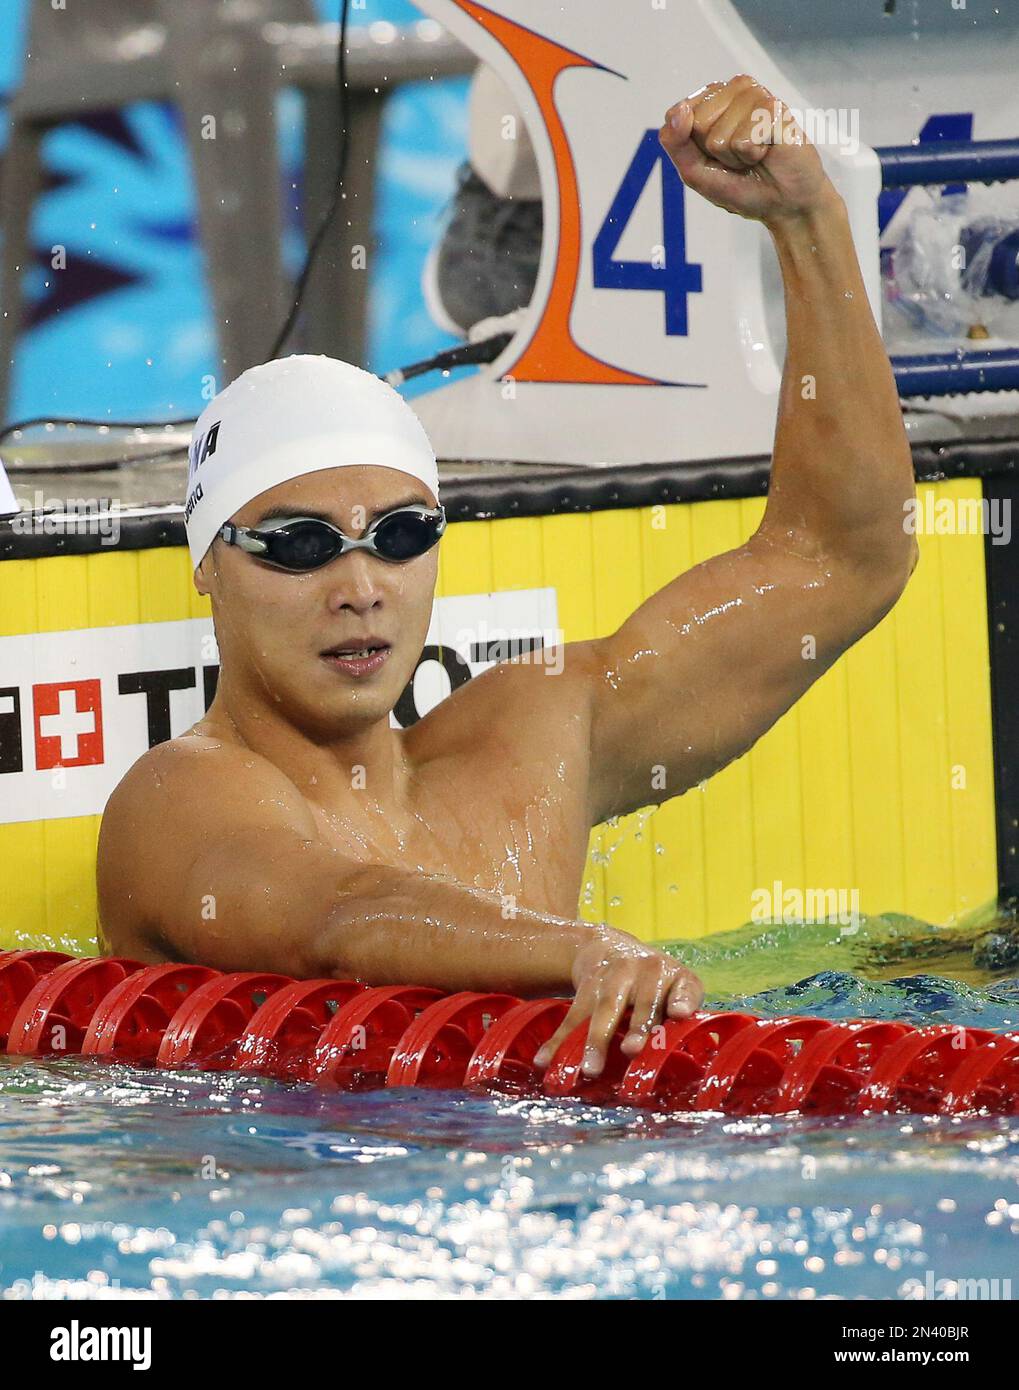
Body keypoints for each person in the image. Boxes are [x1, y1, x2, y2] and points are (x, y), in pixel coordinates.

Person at [98, 76, 917, 1078]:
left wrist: (807, 220)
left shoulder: (528, 740)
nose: (360, 583)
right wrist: (571, 946)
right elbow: (336, 914)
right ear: (208, 564)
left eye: (399, 534)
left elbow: (844, 557)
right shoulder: (178, 800)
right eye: (303, 544)